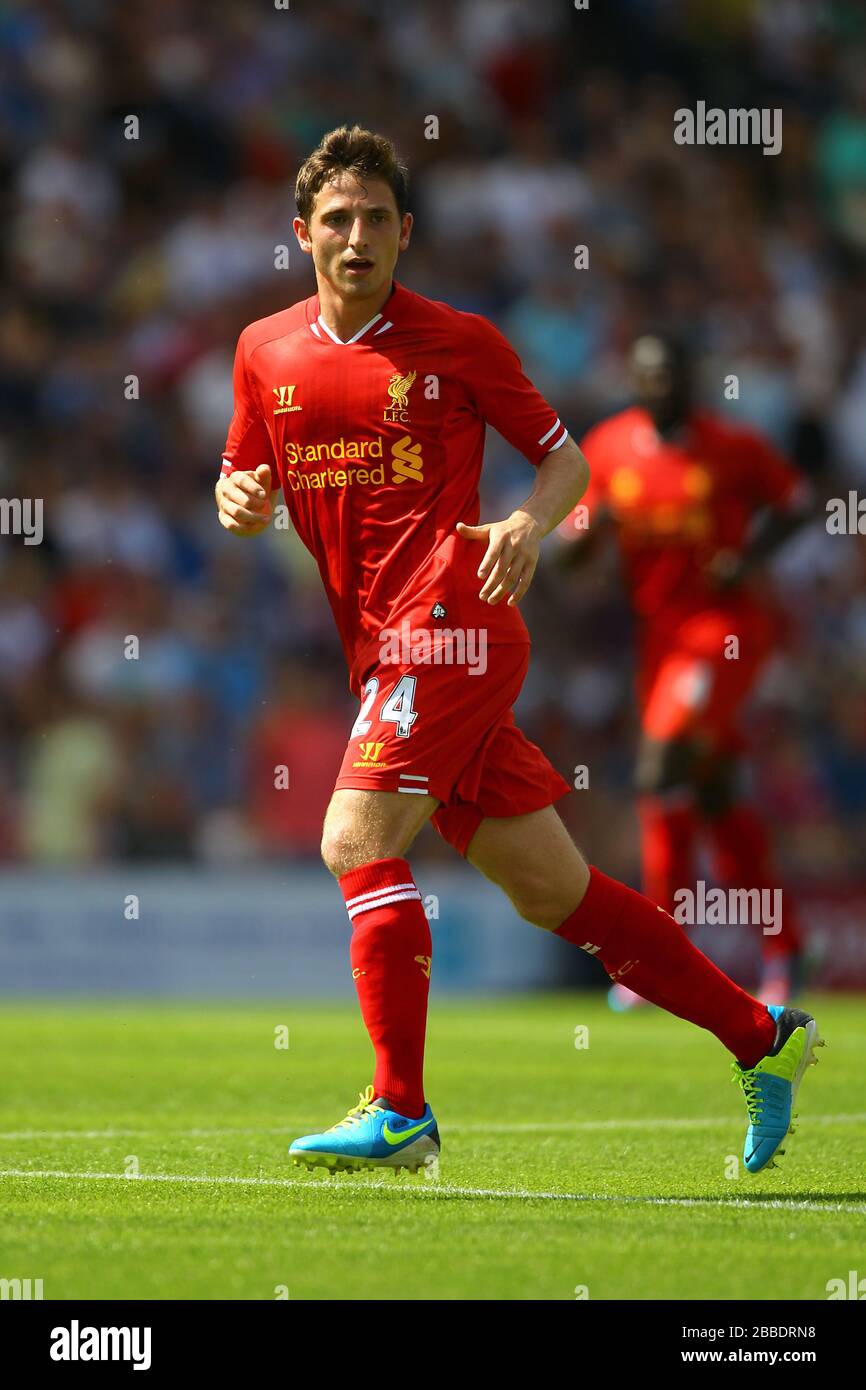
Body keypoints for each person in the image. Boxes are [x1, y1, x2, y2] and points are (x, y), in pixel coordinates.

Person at [215, 127, 823, 1179]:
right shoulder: (263, 352)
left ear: (404, 234)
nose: (356, 238)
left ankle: (399, 1109)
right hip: (379, 649)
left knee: (355, 837)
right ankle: (762, 1038)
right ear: (301, 232)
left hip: (452, 622)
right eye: (336, 220)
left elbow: (565, 462)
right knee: (553, 891)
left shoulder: (458, 341)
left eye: (376, 221)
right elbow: (242, 482)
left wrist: (527, 527)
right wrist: (234, 501)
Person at [558, 334, 810, 1010]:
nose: (659, 384)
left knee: (658, 766)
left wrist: (747, 561)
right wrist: (585, 535)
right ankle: (785, 949)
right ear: (634, 381)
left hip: (724, 636)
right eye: (647, 374)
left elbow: (798, 504)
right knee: (717, 797)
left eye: (670, 372)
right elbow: (568, 555)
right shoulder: (610, 447)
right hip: (660, 644)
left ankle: (657, 953)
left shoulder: (731, 446)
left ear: (691, 378)